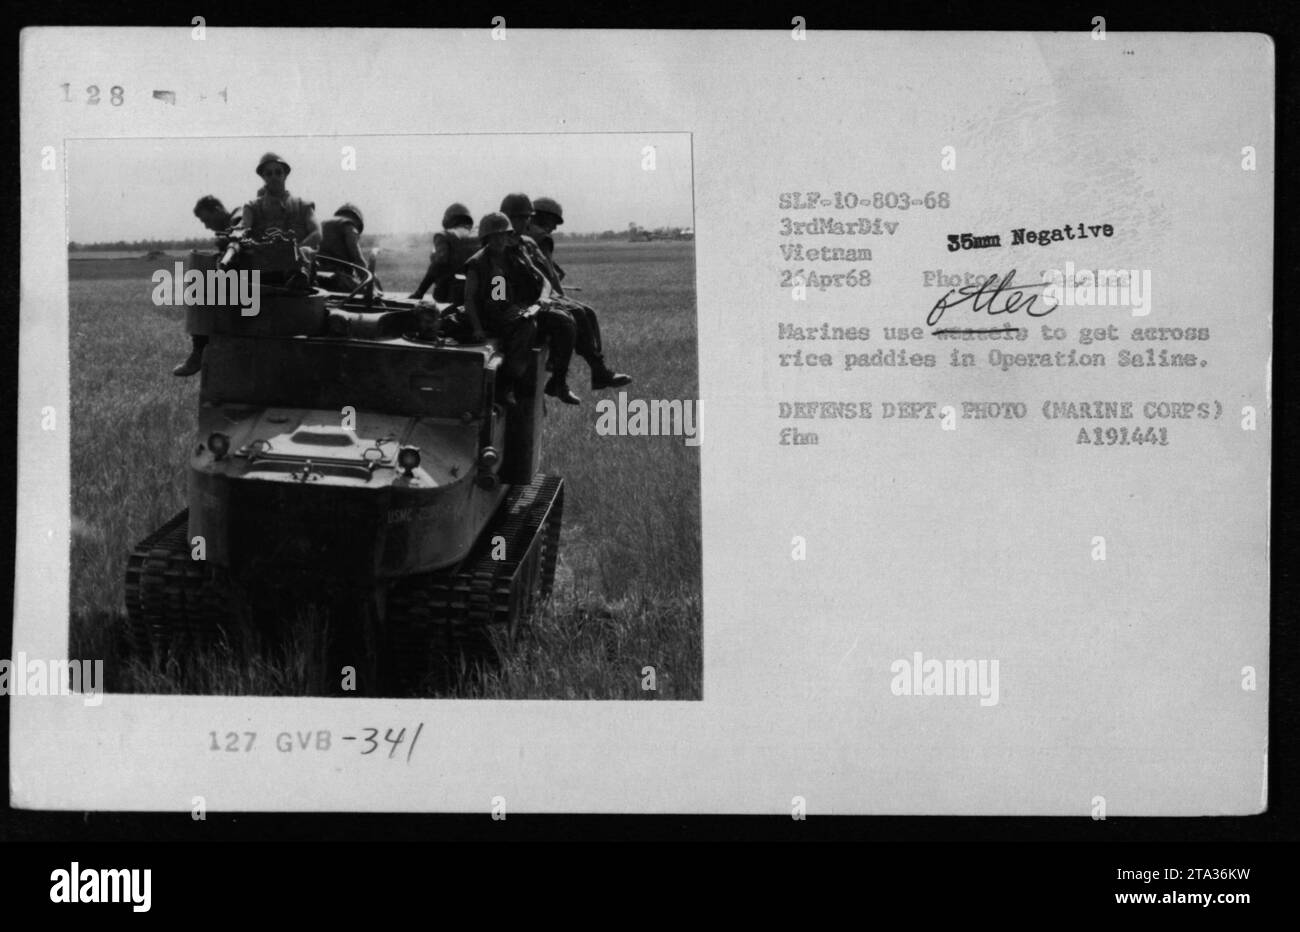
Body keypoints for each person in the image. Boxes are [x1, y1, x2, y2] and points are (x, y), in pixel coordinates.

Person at [499, 193, 631, 392]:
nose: (526, 222)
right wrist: (502, 305)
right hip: (516, 308)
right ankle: (565, 378)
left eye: (527, 218)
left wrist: (546, 296)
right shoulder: (499, 246)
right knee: (568, 319)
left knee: (576, 314)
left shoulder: (524, 243)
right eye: (521, 218)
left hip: (531, 301)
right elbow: (496, 280)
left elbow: (542, 275)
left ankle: (581, 374)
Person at [463, 212, 557, 406]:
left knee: (540, 323)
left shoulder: (514, 256)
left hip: (507, 312)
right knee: (526, 328)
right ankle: (506, 385)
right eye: (494, 236)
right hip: (488, 317)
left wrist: (538, 301)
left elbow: (542, 280)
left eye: (503, 235)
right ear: (486, 238)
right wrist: (477, 328)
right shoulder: (477, 262)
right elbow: (469, 300)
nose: (499, 240)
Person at [173, 196, 242, 377]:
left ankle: (198, 352)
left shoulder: (238, 217)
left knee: (199, 279)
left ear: (218, 210)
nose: (207, 226)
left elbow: (240, 238)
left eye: (207, 220)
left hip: (251, 275)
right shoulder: (230, 223)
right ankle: (199, 350)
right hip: (241, 274)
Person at [235, 152, 321, 248]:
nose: (274, 177)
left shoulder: (303, 205)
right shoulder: (252, 207)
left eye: (278, 172)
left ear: (285, 175)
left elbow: (317, 233)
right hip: (261, 260)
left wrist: (298, 251)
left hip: (299, 261)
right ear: (263, 177)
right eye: (268, 173)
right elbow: (242, 229)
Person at [409, 203, 478, 303]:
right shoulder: (480, 235)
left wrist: (420, 292)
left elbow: (439, 263)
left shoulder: (444, 235)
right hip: (479, 294)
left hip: (452, 295)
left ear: (449, 219)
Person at [318, 203, 371, 292]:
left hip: (316, 276)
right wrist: (371, 286)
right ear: (357, 221)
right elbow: (357, 258)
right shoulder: (348, 226)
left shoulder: (321, 224)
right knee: (369, 297)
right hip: (337, 278)